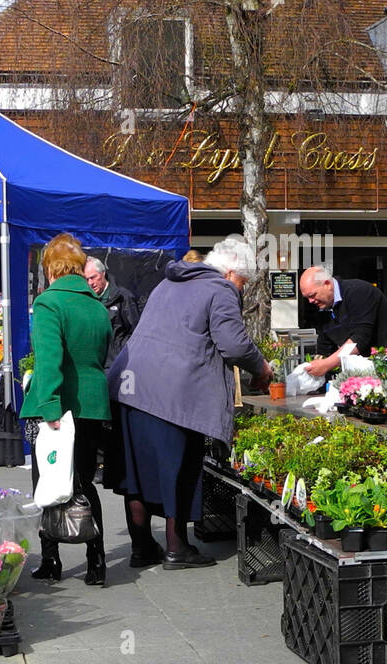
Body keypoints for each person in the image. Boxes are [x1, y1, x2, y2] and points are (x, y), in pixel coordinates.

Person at [110, 237, 272, 569]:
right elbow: (234, 344)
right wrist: (262, 367)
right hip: (173, 391)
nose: (241, 291)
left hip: (130, 383)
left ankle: (141, 548)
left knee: (137, 472)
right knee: (179, 469)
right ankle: (177, 548)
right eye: (242, 283)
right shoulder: (220, 289)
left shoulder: (168, 282)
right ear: (230, 272)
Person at [21, 234, 112, 586]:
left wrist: (49, 405)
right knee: (84, 483)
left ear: (50, 268)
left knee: (47, 483)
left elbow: (48, 360)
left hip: (57, 406)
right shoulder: (96, 305)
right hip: (92, 405)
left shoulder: (48, 303)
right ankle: (97, 562)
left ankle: (51, 560)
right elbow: (101, 355)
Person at [298, 266, 387, 380]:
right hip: (363, 371)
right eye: (307, 298)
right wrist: (318, 375)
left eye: (312, 295)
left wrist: (327, 364)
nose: (310, 301)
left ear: (327, 284)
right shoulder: (323, 308)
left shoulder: (359, 291)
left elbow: (360, 337)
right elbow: (325, 346)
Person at [84, 256, 140, 367]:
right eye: (87, 279)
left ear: (103, 273)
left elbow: (136, 331)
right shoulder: (86, 300)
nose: (90, 283)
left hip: (119, 364)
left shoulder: (123, 297)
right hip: (95, 364)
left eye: (93, 277)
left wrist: (121, 352)